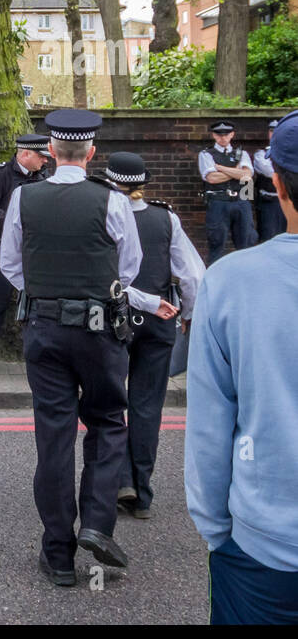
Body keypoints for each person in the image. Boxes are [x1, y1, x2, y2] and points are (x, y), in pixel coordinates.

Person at [0, 109, 177, 587]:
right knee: (106, 423)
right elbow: (129, 268)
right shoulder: (111, 201)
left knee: (53, 436)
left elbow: (11, 267)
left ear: (51, 152)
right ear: (91, 152)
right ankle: (97, 524)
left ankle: (58, 553)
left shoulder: (23, 198)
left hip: (44, 331)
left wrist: (45, 296)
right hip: (100, 334)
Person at [186, 108, 298, 624]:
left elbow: (211, 423)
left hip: (266, 548)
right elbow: (218, 176)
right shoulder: (221, 157)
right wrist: (234, 175)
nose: (225, 138)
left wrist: (216, 533)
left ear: (280, 180)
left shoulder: (230, 284)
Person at [101, 152, 204, 520]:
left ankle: (120, 480)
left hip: (114, 321)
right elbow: (193, 276)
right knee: (147, 406)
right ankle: (142, 494)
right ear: (144, 184)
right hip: (159, 321)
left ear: (110, 181)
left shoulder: (102, 215)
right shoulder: (167, 217)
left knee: (112, 403)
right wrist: (189, 316)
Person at [0, 134, 51, 381]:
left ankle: (42, 355)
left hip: (35, 252)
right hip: (2, 250)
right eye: (41, 157)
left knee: (43, 304)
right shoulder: (2, 174)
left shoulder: (43, 178)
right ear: (25, 154)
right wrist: (14, 222)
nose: (45, 162)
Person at [198, 120, 255, 264]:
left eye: (226, 134)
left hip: (242, 200)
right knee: (216, 244)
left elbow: (247, 176)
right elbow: (211, 178)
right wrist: (236, 171)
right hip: (218, 201)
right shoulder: (206, 154)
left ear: (232, 134)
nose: (223, 137)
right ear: (214, 135)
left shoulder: (242, 153)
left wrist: (221, 168)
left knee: (246, 244)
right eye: (219, 134)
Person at [253, 119, 284, 243]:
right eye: (271, 131)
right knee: (268, 237)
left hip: (290, 200)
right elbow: (268, 171)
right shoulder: (261, 153)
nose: (274, 134)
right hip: (269, 201)